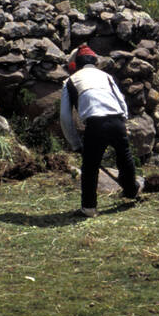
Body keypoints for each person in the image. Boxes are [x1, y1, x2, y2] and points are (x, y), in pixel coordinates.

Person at [60, 45, 141, 217]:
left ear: (75, 65)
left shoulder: (70, 81)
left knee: (90, 166)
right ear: (94, 63)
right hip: (117, 120)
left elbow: (65, 117)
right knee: (124, 157)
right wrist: (123, 122)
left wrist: (75, 143)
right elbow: (121, 101)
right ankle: (131, 191)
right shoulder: (106, 77)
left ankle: (89, 208)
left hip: (95, 124)